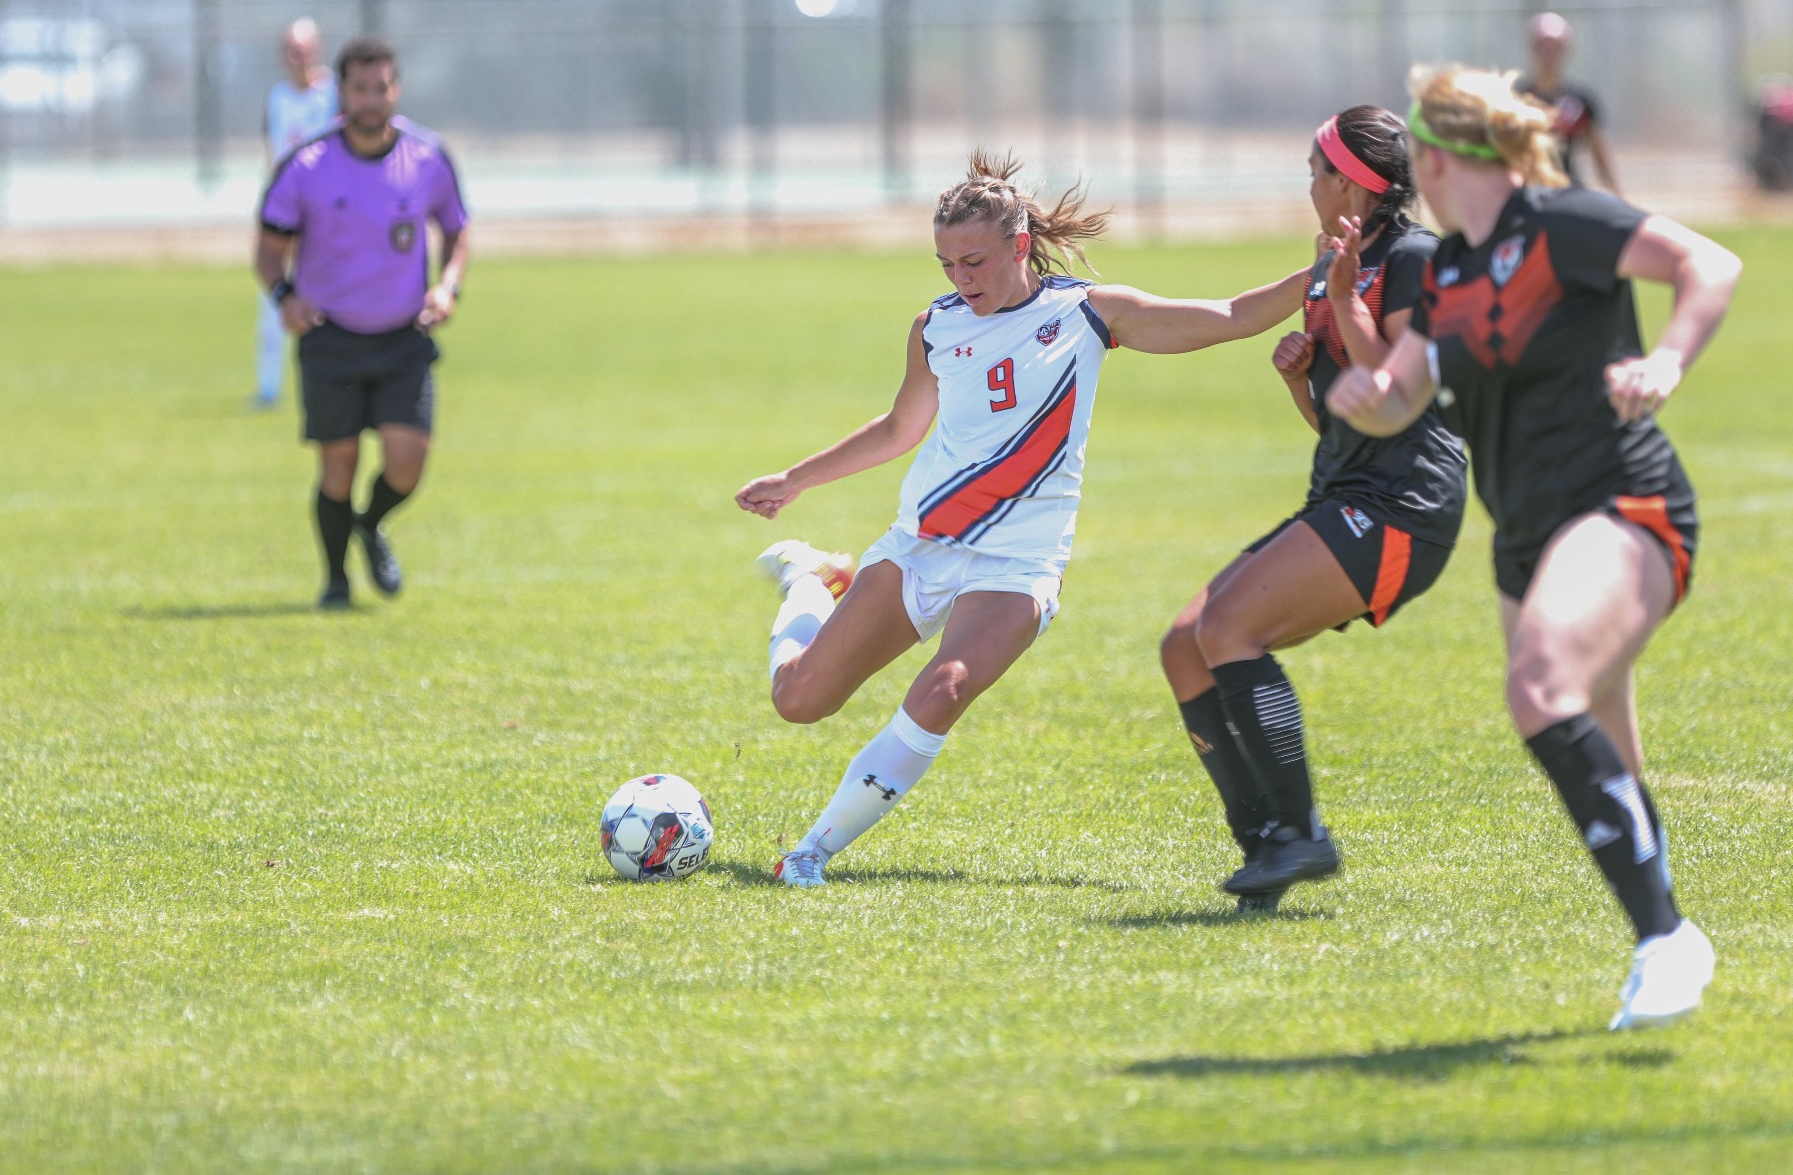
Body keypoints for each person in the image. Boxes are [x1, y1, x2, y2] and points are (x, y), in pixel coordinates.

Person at [735, 153, 1312, 888]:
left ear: (1017, 244)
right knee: (798, 700)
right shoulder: (935, 328)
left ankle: (810, 851)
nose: (959, 279)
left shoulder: (1088, 315)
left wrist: (1314, 278)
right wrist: (794, 480)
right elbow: (897, 429)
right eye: (945, 264)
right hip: (921, 545)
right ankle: (809, 578)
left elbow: (1231, 317)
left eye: (973, 260)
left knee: (942, 689)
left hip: (1017, 566)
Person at [1326, 65, 1740, 1030]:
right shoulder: (1455, 269)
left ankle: (1666, 942)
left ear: (1440, 154)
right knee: (1606, 744)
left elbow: (1708, 265)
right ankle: (1667, 931)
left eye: (1418, 150)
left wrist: (1666, 357)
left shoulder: (1562, 221)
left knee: (1540, 685)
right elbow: (1402, 395)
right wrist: (1358, 364)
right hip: (1523, 536)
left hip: (1623, 501)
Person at [1158, 106, 1468, 911]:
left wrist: (1343, 300)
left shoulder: (1411, 258)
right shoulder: (1337, 263)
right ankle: (1265, 841)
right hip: (1348, 488)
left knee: (1230, 630)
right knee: (1186, 644)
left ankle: (1301, 834)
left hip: (1406, 501)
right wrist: (1300, 378)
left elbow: (1398, 386)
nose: (1307, 184)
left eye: (1314, 169)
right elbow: (1337, 412)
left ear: (1349, 181)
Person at [254, 35, 470, 610]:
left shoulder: (427, 157)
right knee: (338, 466)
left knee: (407, 464)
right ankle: (335, 581)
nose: (371, 99)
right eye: (359, 89)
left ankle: (369, 526)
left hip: (404, 335)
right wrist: (285, 297)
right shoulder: (307, 164)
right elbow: (268, 249)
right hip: (332, 337)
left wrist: (447, 286)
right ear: (341, 93)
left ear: (395, 90)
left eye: (382, 88)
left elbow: (456, 230)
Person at [254, 19, 340, 408]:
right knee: (274, 297)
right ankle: (268, 389)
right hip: (287, 214)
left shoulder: (334, 97)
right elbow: (273, 156)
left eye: (303, 49)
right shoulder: (277, 99)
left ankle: (333, 382)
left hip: (327, 214)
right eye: (291, 49)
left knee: (331, 298)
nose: (297, 57)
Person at [1520, 12, 1621, 195]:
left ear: (1566, 50)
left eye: (1554, 46)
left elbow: (1597, 150)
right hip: (1526, 190)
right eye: (1542, 45)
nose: (1548, 52)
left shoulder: (1580, 98)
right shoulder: (1515, 98)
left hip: (1567, 189)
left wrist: (1616, 193)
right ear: (1532, 47)